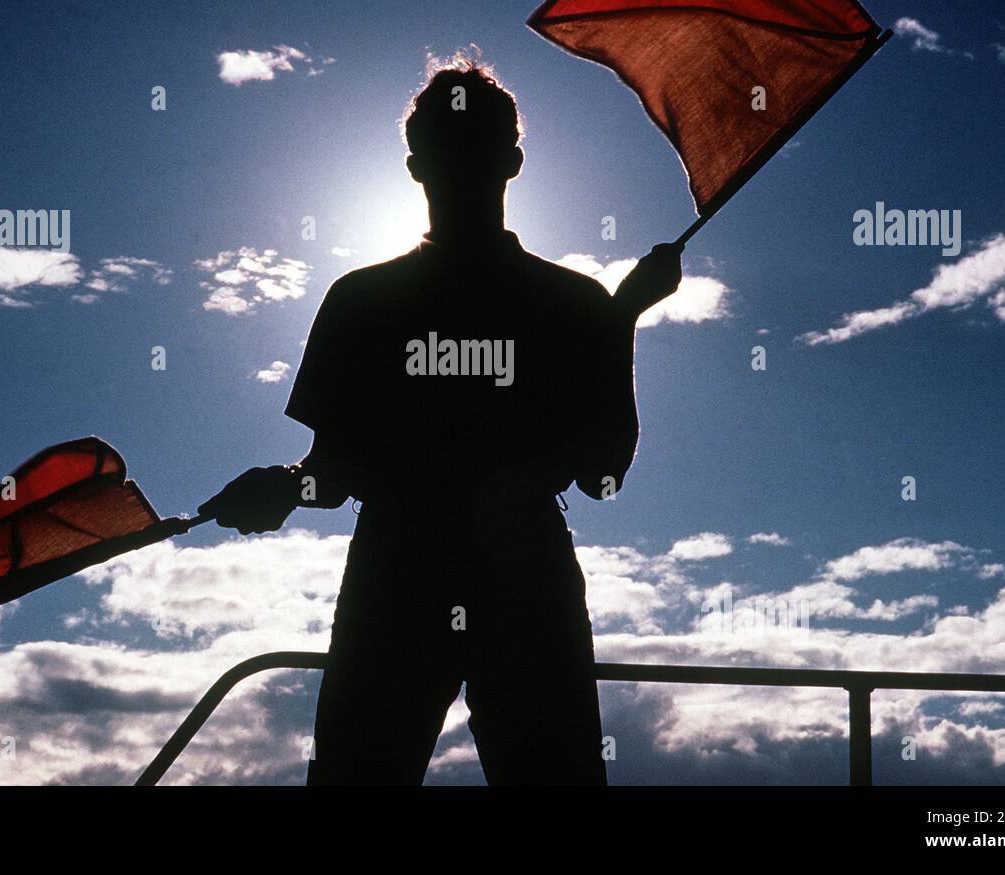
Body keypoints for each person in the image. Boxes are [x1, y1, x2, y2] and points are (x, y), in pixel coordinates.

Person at [199, 52, 684, 785]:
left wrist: (286, 486)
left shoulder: (364, 299)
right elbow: (604, 473)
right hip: (519, 586)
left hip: (400, 581)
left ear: (413, 166)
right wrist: (620, 319)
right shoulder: (571, 302)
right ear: (513, 162)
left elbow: (328, 475)